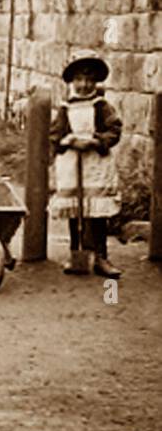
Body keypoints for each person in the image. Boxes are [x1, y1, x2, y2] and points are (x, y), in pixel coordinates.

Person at [50, 50, 123, 278]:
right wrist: (66, 141)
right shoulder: (66, 107)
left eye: (89, 80)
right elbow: (54, 134)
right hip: (73, 163)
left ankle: (101, 256)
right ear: (72, 81)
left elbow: (114, 130)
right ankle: (76, 254)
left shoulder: (101, 106)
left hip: (95, 164)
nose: (84, 84)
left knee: (97, 212)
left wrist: (95, 141)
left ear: (96, 82)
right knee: (76, 211)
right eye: (79, 79)